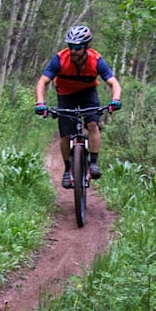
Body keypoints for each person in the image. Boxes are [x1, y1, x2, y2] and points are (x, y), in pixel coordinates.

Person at [34, 24, 123, 188]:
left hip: (88, 93)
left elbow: (114, 83)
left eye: (77, 47)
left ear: (86, 46)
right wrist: (40, 103)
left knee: (92, 124)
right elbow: (43, 82)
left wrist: (115, 99)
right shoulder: (60, 59)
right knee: (66, 135)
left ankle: (94, 163)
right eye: (71, 46)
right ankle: (68, 169)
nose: (73, 51)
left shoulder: (96, 61)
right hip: (65, 94)